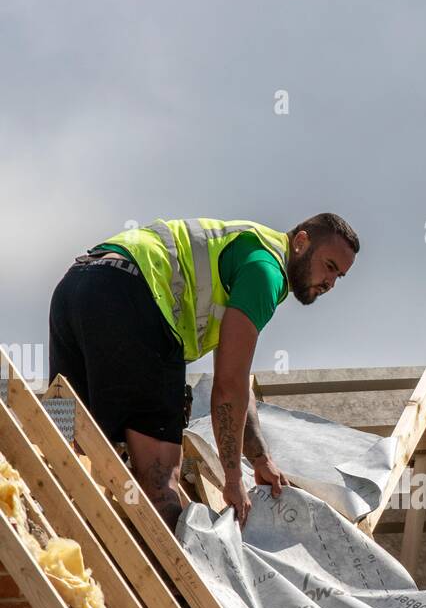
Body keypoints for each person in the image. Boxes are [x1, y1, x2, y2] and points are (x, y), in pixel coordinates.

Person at [48, 213, 359, 529]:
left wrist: (260, 458)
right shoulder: (267, 272)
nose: (330, 282)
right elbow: (228, 384)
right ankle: (168, 577)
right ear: (301, 242)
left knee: (61, 441)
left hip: (77, 285)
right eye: (329, 266)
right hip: (133, 296)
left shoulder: (251, 246)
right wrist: (233, 478)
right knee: (161, 486)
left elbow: (239, 385)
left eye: (339, 276)